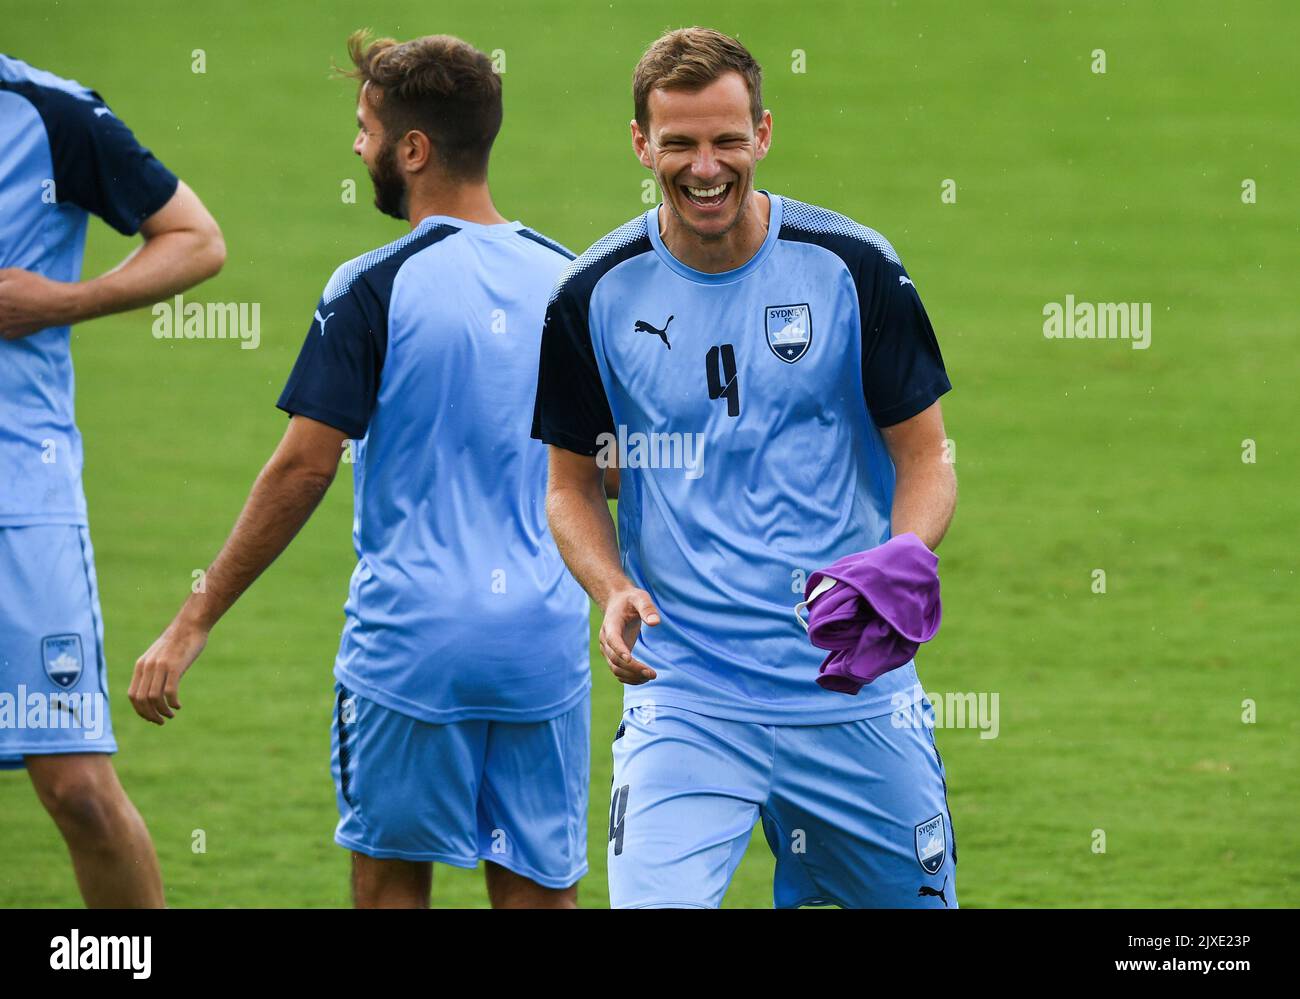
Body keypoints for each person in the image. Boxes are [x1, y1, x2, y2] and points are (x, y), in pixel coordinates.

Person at [130, 32, 591, 909]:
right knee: (540, 899)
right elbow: (608, 471)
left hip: (412, 651)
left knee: (388, 893)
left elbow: (303, 468)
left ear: (411, 151)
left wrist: (192, 622)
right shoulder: (568, 280)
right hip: (541, 646)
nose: (357, 147)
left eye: (365, 129)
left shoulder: (370, 285)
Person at [533, 27, 959, 908]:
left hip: (851, 686)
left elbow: (926, 456)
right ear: (641, 144)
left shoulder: (853, 267)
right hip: (685, 693)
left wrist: (903, 555)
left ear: (762, 134)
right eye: (680, 142)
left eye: (727, 139)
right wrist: (609, 585)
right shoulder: (592, 293)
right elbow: (570, 485)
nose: (705, 166)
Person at [0, 53, 226, 907]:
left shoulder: (51, 115)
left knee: (79, 792)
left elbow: (197, 241)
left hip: (23, 498)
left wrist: (60, 302)